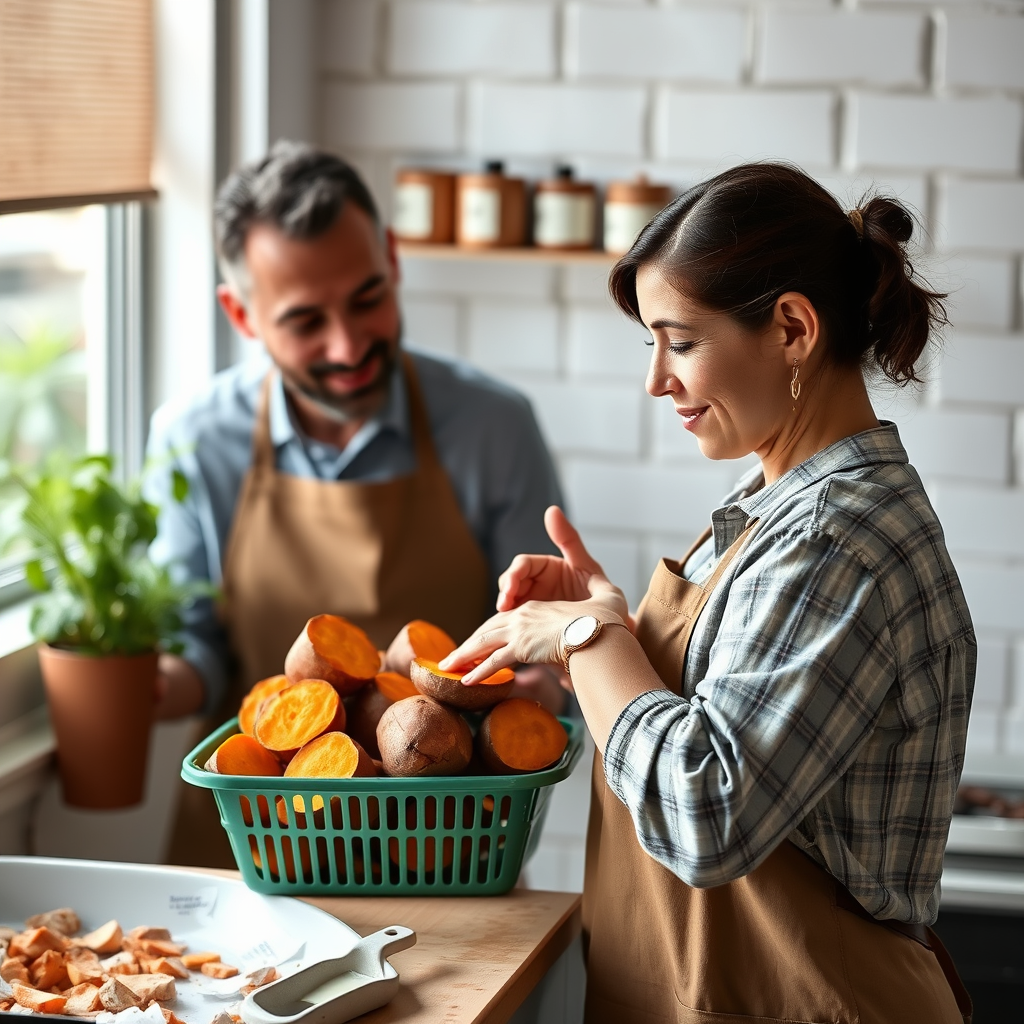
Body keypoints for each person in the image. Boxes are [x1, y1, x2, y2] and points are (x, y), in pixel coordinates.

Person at [441, 163, 976, 1023]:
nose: (657, 379)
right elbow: (697, 722)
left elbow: (708, 811)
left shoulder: (836, 537)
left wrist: (590, 641)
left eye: (680, 341)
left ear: (793, 328)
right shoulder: (779, 508)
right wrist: (609, 618)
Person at [145, 142, 563, 860]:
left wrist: (549, 681)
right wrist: (136, 686)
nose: (348, 345)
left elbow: (542, 638)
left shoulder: (494, 426)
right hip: (256, 844)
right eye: (306, 321)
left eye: (368, 298)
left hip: (444, 844)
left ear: (393, 260)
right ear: (242, 314)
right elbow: (199, 651)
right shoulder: (194, 438)